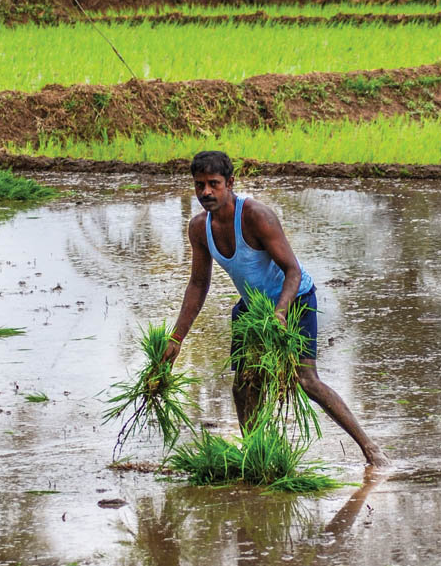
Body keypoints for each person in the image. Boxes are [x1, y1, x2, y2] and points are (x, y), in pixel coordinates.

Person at [162, 150, 390, 468]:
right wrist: (177, 337)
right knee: (243, 385)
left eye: (213, 184)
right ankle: (255, 453)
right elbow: (199, 284)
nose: (206, 193)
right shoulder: (200, 228)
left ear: (230, 183)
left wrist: (281, 312)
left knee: (306, 379)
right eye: (199, 185)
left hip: (294, 300)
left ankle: (371, 450)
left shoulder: (256, 216)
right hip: (254, 309)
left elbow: (292, 271)